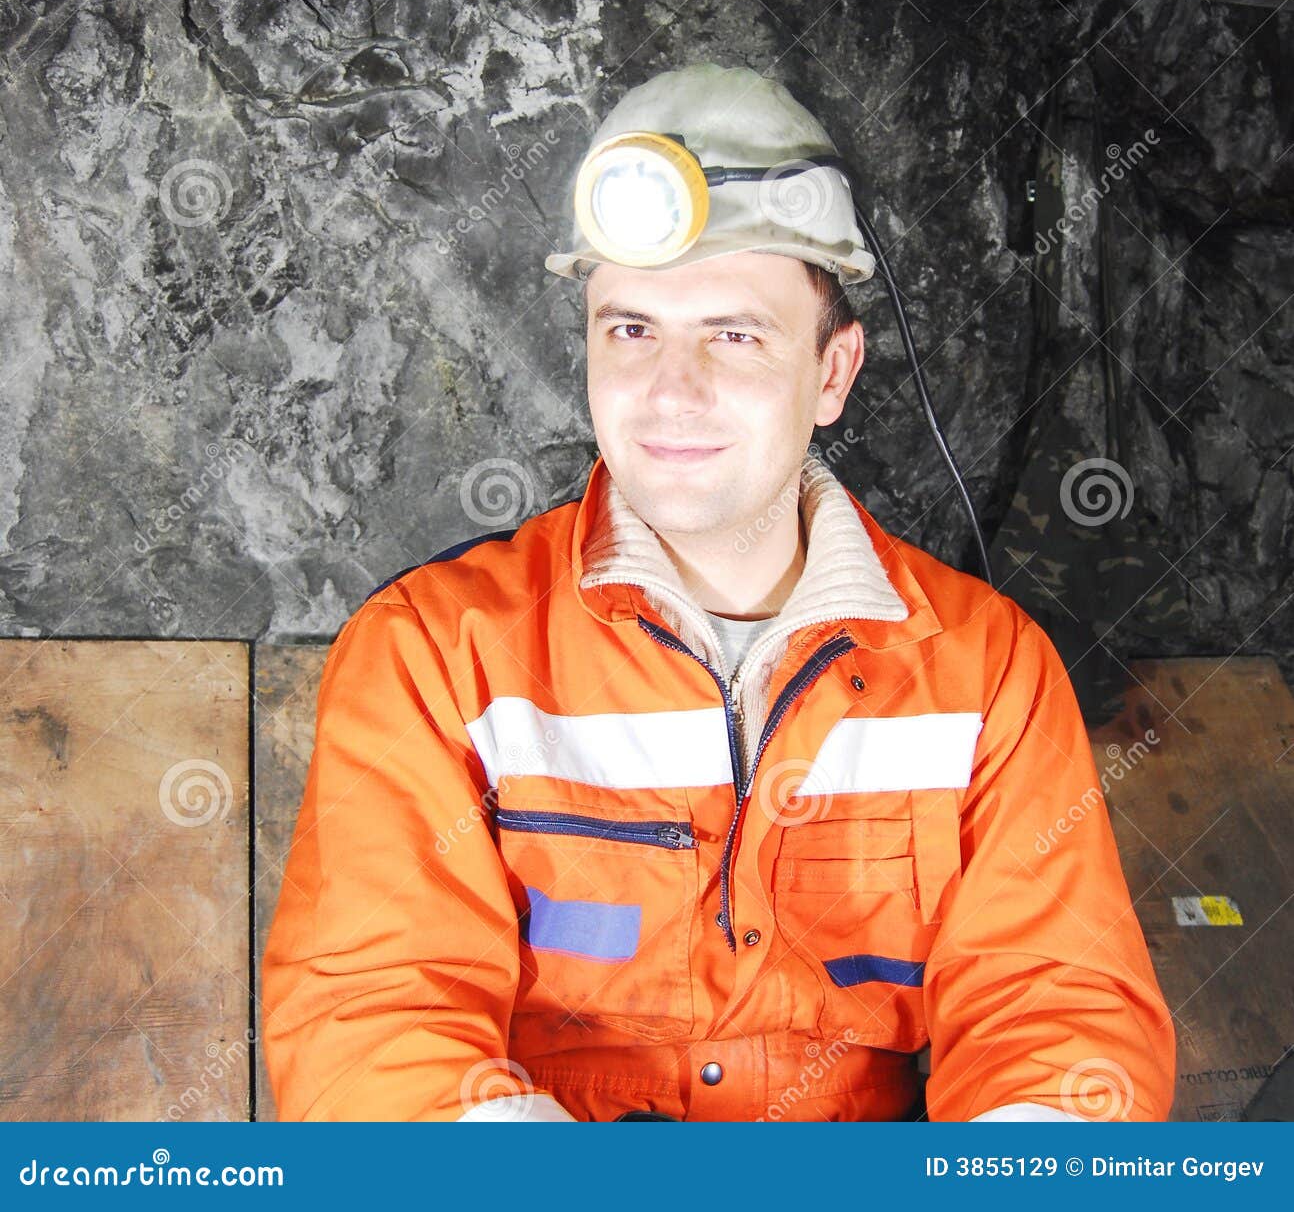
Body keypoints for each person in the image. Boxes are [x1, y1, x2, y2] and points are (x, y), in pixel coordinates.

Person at [261, 63, 1176, 1123]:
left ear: (831, 374)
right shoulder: (434, 651)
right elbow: (374, 1019)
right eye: (631, 329)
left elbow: (1056, 1010)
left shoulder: (983, 668)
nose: (669, 389)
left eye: (733, 334)